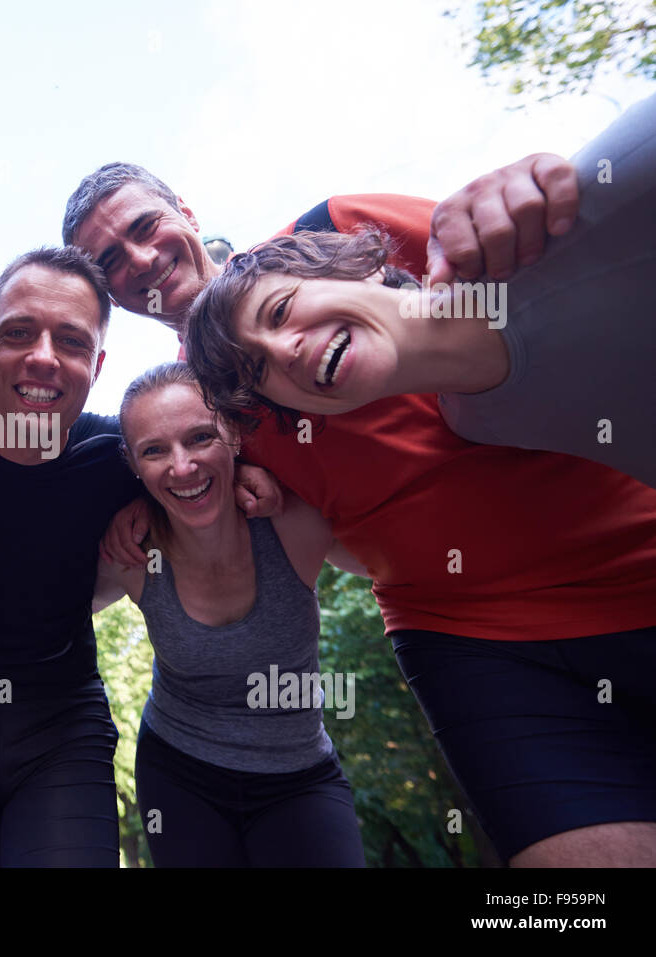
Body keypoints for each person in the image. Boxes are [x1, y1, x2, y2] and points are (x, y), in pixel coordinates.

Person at [80, 160, 656, 866]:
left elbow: (535, 270)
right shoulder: (193, 411)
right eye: (110, 259)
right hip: (469, 636)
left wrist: (528, 192)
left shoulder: (333, 235)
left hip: (632, 555)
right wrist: (154, 509)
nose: (140, 259)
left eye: (146, 227)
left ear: (187, 212)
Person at [0, 247, 281, 867]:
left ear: (96, 365)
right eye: (20, 332)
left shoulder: (123, 455)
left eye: (70, 341)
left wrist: (243, 481)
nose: (42, 356)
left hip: (64, 721)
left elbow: (201, 460)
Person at [186, 93, 656, 487]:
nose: (283, 350)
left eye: (280, 311)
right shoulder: (478, 424)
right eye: (259, 368)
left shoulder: (596, 195)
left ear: (358, 266)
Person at [93, 363, 365, 867]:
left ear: (234, 437)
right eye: (154, 450)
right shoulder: (131, 554)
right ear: (131, 463)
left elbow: (397, 562)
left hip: (299, 773)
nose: (181, 466)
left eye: (200, 438)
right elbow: (48, 610)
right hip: (179, 769)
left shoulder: (292, 523)